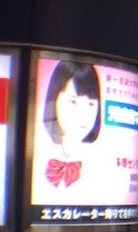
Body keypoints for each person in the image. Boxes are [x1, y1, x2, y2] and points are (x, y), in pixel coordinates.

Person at [37, 61, 100, 191]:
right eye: (73, 102)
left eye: (91, 104)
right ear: (54, 100)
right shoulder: (37, 150)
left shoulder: (100, 163)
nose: (83, 114)